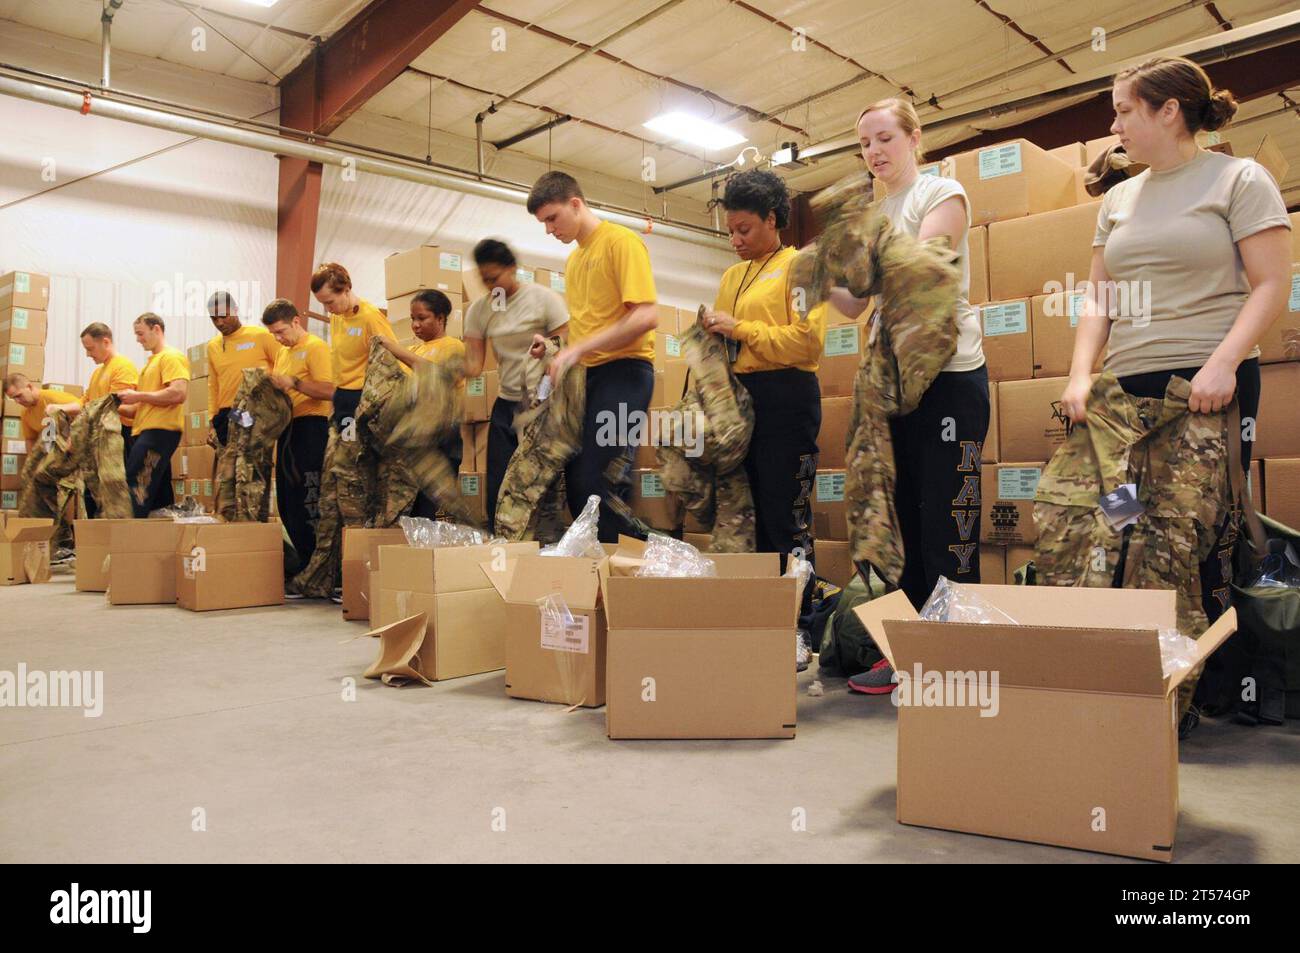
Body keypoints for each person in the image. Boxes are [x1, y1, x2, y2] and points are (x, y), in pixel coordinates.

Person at [1057, 56, 1292, 736]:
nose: (1113, 124)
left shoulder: (1238, 179)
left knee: (1178, 538)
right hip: (1126, 400)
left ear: (1168, 111)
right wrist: (1079, 373)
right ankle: (1123, 688)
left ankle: (1171, 696)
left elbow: (1273, 283)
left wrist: (1223, 363)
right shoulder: (1120, 199)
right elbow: (1099, 296)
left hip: (1204, 390)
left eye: (1123, 109)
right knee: (1117, 526)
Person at [832, 97, 990, 694]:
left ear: (914, 137)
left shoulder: (941, 194)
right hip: (891, 385)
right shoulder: (874, 213)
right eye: (865, 144)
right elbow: (852, 303)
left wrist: (861, 252)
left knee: (948, 517)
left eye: (884, 139)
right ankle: (909, 655)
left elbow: (921, 267)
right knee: (903, 522)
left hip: (949, 378)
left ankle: (951, 659)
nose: (874, 152)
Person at [700, 169, 827, 655]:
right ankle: (753, 622)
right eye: (729, 230)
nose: (735, 239)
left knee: (785, 517)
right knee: (741, 515)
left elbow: (808, 341)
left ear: (773, 219)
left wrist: (742, 329)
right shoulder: (732, 275)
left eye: (745, 229)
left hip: (786, 398)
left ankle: (799, 625)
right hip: (738, 403)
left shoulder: (801, 267)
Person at [526, 171, 658, 543]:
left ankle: (643, 560)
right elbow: (590, 326)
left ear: (575, 204)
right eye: (543, 223)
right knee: (579, 484)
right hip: (591, 378)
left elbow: (646, 315)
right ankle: (605, 570)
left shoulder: (621, 243)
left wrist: (579, 349)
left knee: (601, 480)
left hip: (627, 374)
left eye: (552, 218)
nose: (550, 229)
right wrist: (556, 347)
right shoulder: (575, 261)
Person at [291, 263, 396, 600]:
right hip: (342, 407)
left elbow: (392, 363)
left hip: (362, 406)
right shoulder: (337, 319)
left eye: (329, 301)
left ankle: (358, 581)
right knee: (329, 493)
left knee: (352, 495)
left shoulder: (369, 317)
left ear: (346, 288)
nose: (327, 309)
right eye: (322, 303)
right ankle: (322, 577)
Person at [463, 239, 569, 532]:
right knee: (498, 484)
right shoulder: (479, 310)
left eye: (495, 278)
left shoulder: (544, 300)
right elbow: (473, 365)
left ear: (513, 269)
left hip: (543, 405)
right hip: (506, 405)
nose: (489, 286)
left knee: (541, 485)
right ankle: (503, 551)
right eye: (484, 280)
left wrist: (546, 351)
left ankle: (548, 551)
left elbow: (564, 349)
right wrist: (441, 372)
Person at [376, 289, 467, 517]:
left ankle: (425, 550)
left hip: (442, 434)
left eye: (422, 318)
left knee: (427, 505)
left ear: (440, 318)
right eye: (412, 319)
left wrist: (395, 349)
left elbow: (434, 374)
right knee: (409, 507)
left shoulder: (453, 346)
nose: (415, 325)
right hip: (416, 436)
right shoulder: (414, 349)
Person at [262, 298, 334, 568]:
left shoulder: (316, 347)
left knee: (309, 501)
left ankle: (323, 570)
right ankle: (304, 566)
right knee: (288, 502)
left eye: (281, 331)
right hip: (288, 432)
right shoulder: (283, 353)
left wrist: (295, 383)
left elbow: (330, 390)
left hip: (311, 429)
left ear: (296, 321)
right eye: (273, 334)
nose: (278, 338)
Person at [60, 322, 139, 516]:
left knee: (115, 489)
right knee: (93, 491)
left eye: (90, 349)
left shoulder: (122, 367)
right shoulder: (97, 373)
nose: (88, 354)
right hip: (96, 440)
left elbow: (114, 406)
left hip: (117, 437)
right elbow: (85, 404)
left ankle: (118, 534)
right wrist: (60, 408)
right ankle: (96, 537)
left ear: (105, 342)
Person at [117, 313, 190, 517]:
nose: (138, 339)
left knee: (137, 484)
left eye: (140, 333)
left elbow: (178, 393)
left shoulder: (171, 357)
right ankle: (160, 536)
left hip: (160, 431)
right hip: (147, 430)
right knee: (158, 492)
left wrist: (138, 394)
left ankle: (131, 537)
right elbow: (137, 408)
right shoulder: (150, 364)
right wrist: (107, 407)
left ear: (156, 329)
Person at [205, 291, 281, 448]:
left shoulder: (260, 335)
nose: (219, 322)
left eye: (223, 316)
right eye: (214, 319)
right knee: (228, 468)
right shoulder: (213, 346)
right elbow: (213, 385)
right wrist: (212, 420)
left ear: (235, 310)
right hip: (228, 413)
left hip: (254, 410)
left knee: (251, 464)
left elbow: (284, 365)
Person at [3, 373, 79, 448]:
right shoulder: (25, 413)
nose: (17, 402)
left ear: (29, 387)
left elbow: (85, 411)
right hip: (56, 449)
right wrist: (31, 459)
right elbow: (30, 439)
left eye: (19, 396)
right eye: (13, 398)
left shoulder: (54, 398)